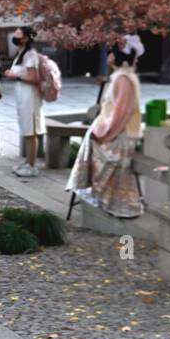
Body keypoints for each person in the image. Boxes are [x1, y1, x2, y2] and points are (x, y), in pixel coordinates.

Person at [67, 44, 145, 217]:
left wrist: (105, 133)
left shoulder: (123, 78)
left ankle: (98, 192)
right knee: (89, 141)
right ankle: (93, 190)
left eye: (111, 52)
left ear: (115, 56)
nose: (108, 55)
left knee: (93, 144)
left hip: (121, 136)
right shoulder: (120, 77)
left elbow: (121, 112)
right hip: (116, 132)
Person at [5, 25, 46, 177]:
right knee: (26, 129)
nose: (15, 36)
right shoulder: (21, 53)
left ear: (26, 38)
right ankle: (28, 161)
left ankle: (31, 164)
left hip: (30, 97)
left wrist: (15, 76)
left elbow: (34, 77)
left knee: (30, 131)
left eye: (18, 34)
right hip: (23, 96)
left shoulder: (30, 54)